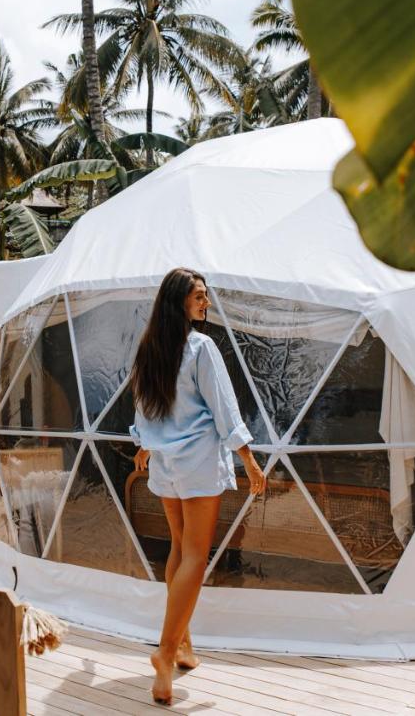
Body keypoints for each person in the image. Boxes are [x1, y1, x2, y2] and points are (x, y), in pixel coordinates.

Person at [129, 267, 267, 705]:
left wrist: (146, 447)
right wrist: (249, 459)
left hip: (166, 464)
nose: (205, 304)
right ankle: (166, 653)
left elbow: (144, 406)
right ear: (179, 302)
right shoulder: (201, 347)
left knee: (177, 548)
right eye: (199, 297)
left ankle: (183, 646)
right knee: (195, 556)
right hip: (199, 462)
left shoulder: (150, 348)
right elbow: (223, 408)